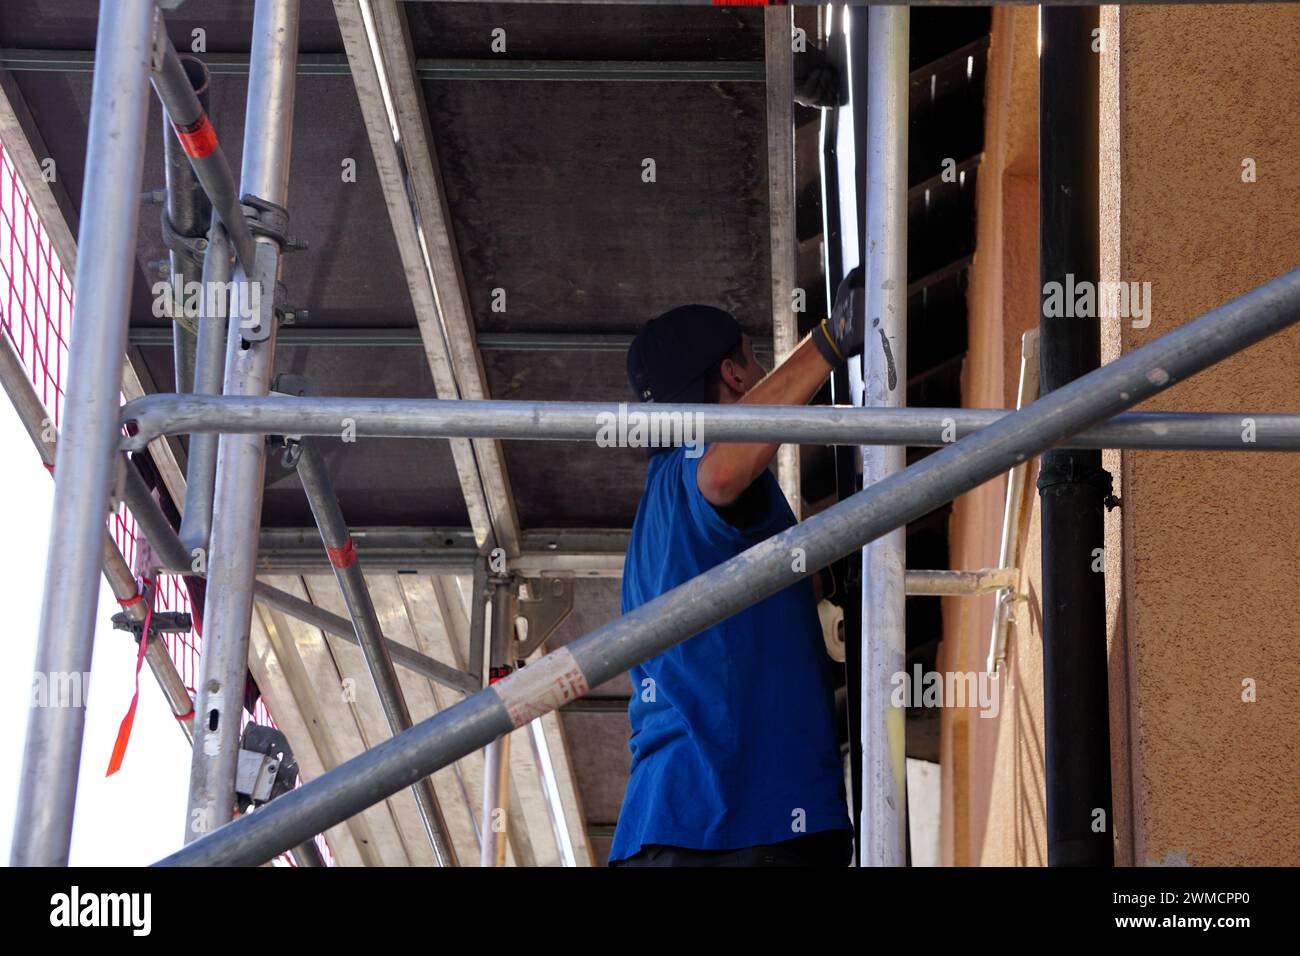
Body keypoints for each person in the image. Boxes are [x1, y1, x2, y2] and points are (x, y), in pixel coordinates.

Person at [608, 269, 866, 867]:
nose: (759, 376)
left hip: (670, 823)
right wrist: (831, 340)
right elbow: (723, 474)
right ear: (731, 373)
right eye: (754, 362)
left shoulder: (653, 521)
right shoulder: (698, 462)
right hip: (737, 819)